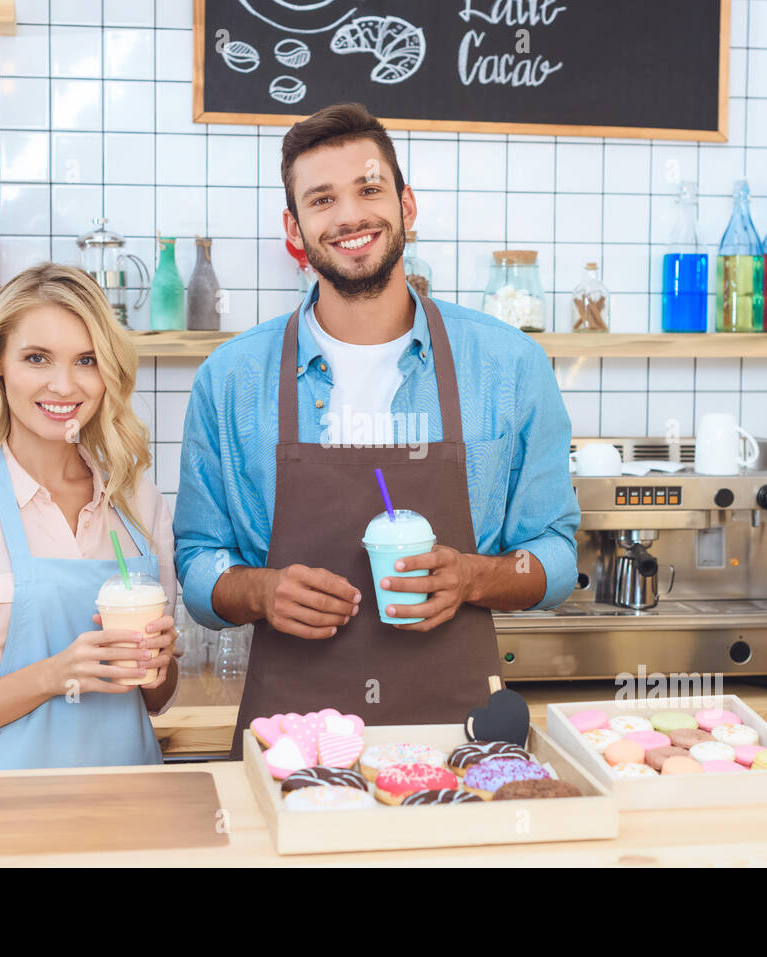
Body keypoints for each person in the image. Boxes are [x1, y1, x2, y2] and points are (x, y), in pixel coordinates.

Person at [175, 103, 579, 757]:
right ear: (294, 227)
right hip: (290, 747)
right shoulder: (231, 379)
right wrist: (260, 589)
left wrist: (473, 577)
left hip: (462, 742)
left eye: (369, 189)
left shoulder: (509, 366)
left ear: (407, 204)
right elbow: (197, 561)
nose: (350, 216)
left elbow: (555, 555)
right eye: (322, 198)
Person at [0, 263, 178, 770]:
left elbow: (153, 698)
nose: (64, 386)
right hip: (9, 823)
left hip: (134, 811)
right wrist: (54, 675)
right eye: (37, 358)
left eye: (86, 360)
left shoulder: (140, 503)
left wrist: (160, 668)